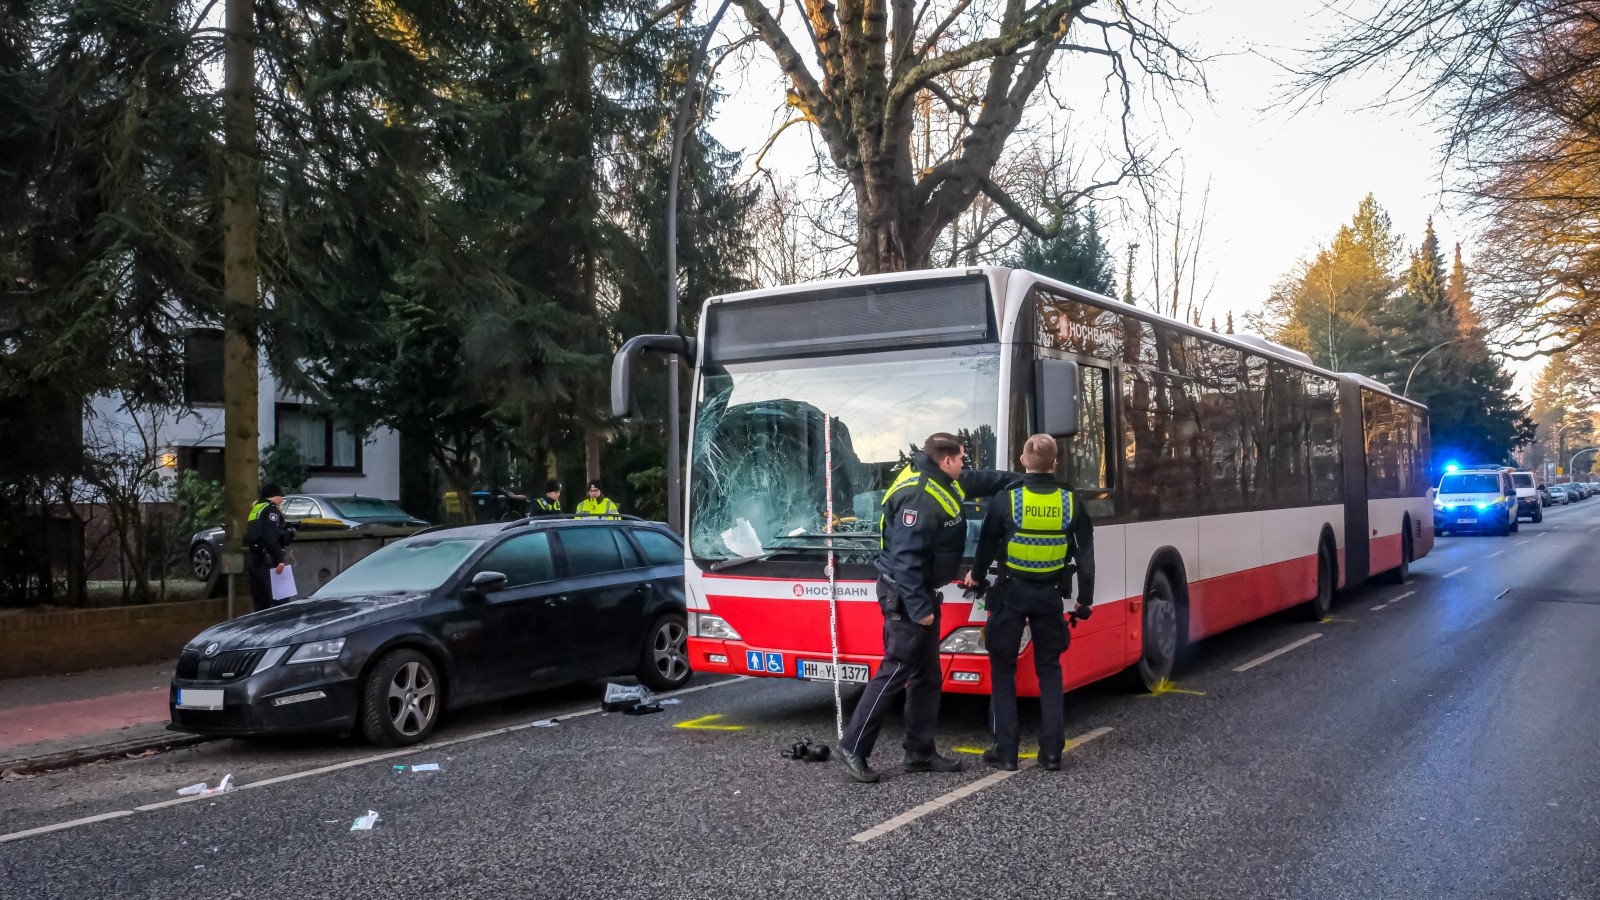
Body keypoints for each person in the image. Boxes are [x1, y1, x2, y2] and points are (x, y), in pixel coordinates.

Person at [838, 433, 1018, 783]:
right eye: (961, 459)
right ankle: (853, 746)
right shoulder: (920, 495)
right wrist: (920, 608)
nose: (964, 465)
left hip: (920, 592)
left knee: (927, 676)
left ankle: (919, 752)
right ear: (946, 461)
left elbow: (980, 480)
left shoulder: (941, 479)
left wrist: (1025, 479)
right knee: (895, 670)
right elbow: (905, 559)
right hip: (907, 595)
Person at [961, 434, 1094, 772]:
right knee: (1049, 670)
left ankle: (1006, 752)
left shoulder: (1007, 499)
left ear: (1023, 461)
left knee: (1003, 669)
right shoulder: (1071, 501)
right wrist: (1084, 601)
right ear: (1055, 463)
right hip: (1049, 595)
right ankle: (1052, 753)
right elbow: (1086, 556)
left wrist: (976, 576)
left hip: (1010, 594)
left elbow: (986, 545)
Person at [245, 483, 294, 613]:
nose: (282, 500)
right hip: (267, 559)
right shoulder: (271, 509)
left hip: (254, 559)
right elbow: (270, 536)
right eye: (280, 496)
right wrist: (279, 559)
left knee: (260, 602)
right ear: (273, 496)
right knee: (280, 601)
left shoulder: (257, 508)